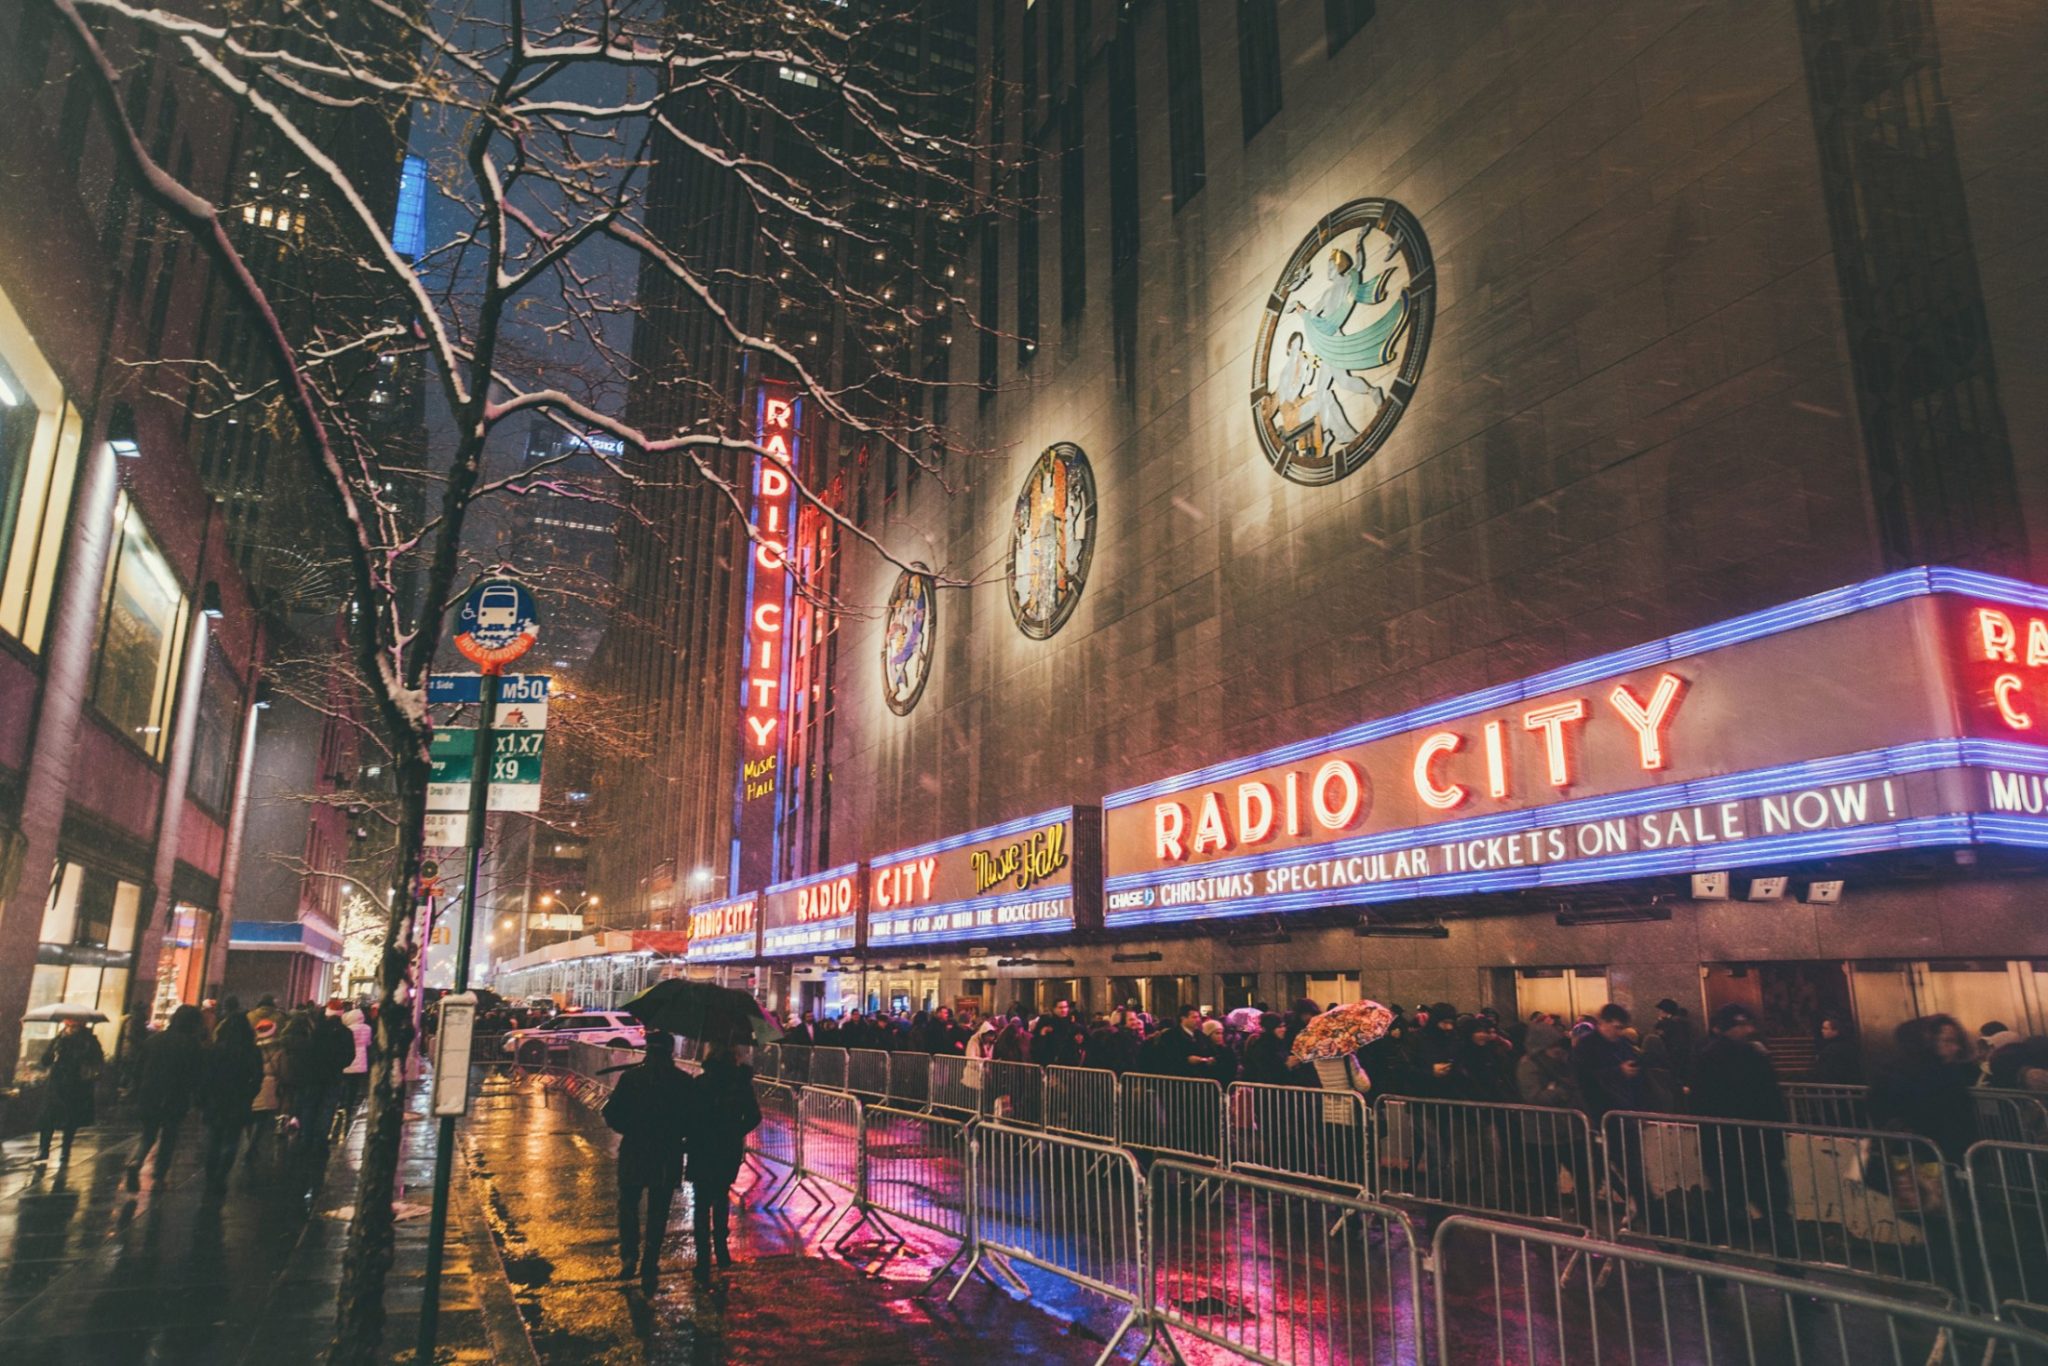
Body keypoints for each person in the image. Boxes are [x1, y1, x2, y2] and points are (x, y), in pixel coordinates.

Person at [1688, 1003, 1792, 1254]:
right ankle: (1790, 1266)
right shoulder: (1750, 1056)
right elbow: (1771, 1099)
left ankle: (1699, 1257)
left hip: (1730, 1146)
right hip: (1751, 1145)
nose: (1748, 1029)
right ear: (1727, 1028)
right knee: (1770, 1207)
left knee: (1729, 1205)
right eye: (1741, 1025)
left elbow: (1699, 1103)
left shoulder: (1715, 1057)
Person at [602, 1029, 693, 1289]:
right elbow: (692, 1119)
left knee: (628, 1206)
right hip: (667, 1154)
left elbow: (611, 1113)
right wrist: (679, 1136)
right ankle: (650, 1261)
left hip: (635, 1149)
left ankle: (629, 1255)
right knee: (658, 1210)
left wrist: (630, 1129)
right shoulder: (682, 1081)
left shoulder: (632, 1078)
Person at [687, 1040, 763, 1285]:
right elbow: (754, 1116)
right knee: (721, 1196)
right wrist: (735, 1130)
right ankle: (721, 1250)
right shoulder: (740, 1084)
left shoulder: (700, 1083)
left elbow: (689, 1116)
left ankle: (703, 1257)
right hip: (727, 1148)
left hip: (702, 1147)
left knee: (701, 1203)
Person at [1870, 1014, 1978, 1165]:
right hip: (1924, 1158)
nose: (1956, 1048)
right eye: (1948, 1041)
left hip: (1942, 1155)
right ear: (1925, 1042)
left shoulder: (1948, 1074)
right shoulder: (1902, 1078)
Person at [128, 1005, 207, 1190]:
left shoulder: (154, 1040)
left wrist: (138, 1089)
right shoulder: (192, 1045)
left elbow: (138, 1069)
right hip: (175, 1096)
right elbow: (196, 1074)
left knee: (148, 1134)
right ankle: (159, 1176)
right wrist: (196, 1096)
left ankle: (136, 1161)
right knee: (169, 1136)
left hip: (149, 1093)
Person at [200, 1009, 265, 1191]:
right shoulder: (251, 1051)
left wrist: (204, 1098)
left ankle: (210, 1176)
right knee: (231, 1140)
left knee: (214, 1138)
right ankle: (221, 1176)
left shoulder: (215, 1050)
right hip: (239, 1101)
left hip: (216, 1100)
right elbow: (257, 1077)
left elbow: (205, 1077)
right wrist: (250, 1094)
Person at [35, 1018, 104, 1168]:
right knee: (48, 1118)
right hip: (56, 1084)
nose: (70, 1028)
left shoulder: (89, 1041)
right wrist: (53, 1054)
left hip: (77, 1086)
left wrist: (83, 1056)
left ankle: (65, 1151)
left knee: (71, 1120)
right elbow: (45, 1060)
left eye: (74, 1025)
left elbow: (98, 1060)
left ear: (81, 1025)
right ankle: (43, 1149)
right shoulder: (58, 1039)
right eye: (68, 1025)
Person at [1654, 999, 1699, 1093]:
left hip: (1673, 1060)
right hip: (1688, 1060)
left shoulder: (1666, 1024)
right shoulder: (1686, 1023)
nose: (1659, 1012)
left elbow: (1663, 1041)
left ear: (1665, 1011)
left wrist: (1660, 1023)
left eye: (1660, 1010)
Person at [340, 1006, 372, 1133]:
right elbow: (368, 1043)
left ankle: (343, 1104)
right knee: (355, 1085)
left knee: (345, 1083)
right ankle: (351, 1104)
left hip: (350, 1059)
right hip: (361, 1060)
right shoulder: (367, 1028)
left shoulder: (348, 1029)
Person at [1240, 1014, 1295, 1086]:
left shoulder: (1280, 1044)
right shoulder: (1262, 1046)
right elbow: (1267, 1072)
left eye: (1284, 1026)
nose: (1284, 1029)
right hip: (1266, 1089)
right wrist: (1287, 1066)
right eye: (1279, 1027)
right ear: (1270, 1028)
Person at [1030, 1000, 1086, 1067]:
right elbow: (1038, 1044)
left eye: (1065, 1007)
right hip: (1050, 1061)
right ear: (1054, 1009)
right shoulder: (1046, 1022)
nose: (1063, 1010)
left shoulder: (1073, 1024)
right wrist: (1043, 1033)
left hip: (1070, 1061)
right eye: (1060, 1007)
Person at [1812, 1014, 1863, 1085]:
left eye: (1825, 1028)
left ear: (1836, 1031)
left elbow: (1827, 1072)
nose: (1822, 1031)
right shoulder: (1849, 1045)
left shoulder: (1832, 1049)